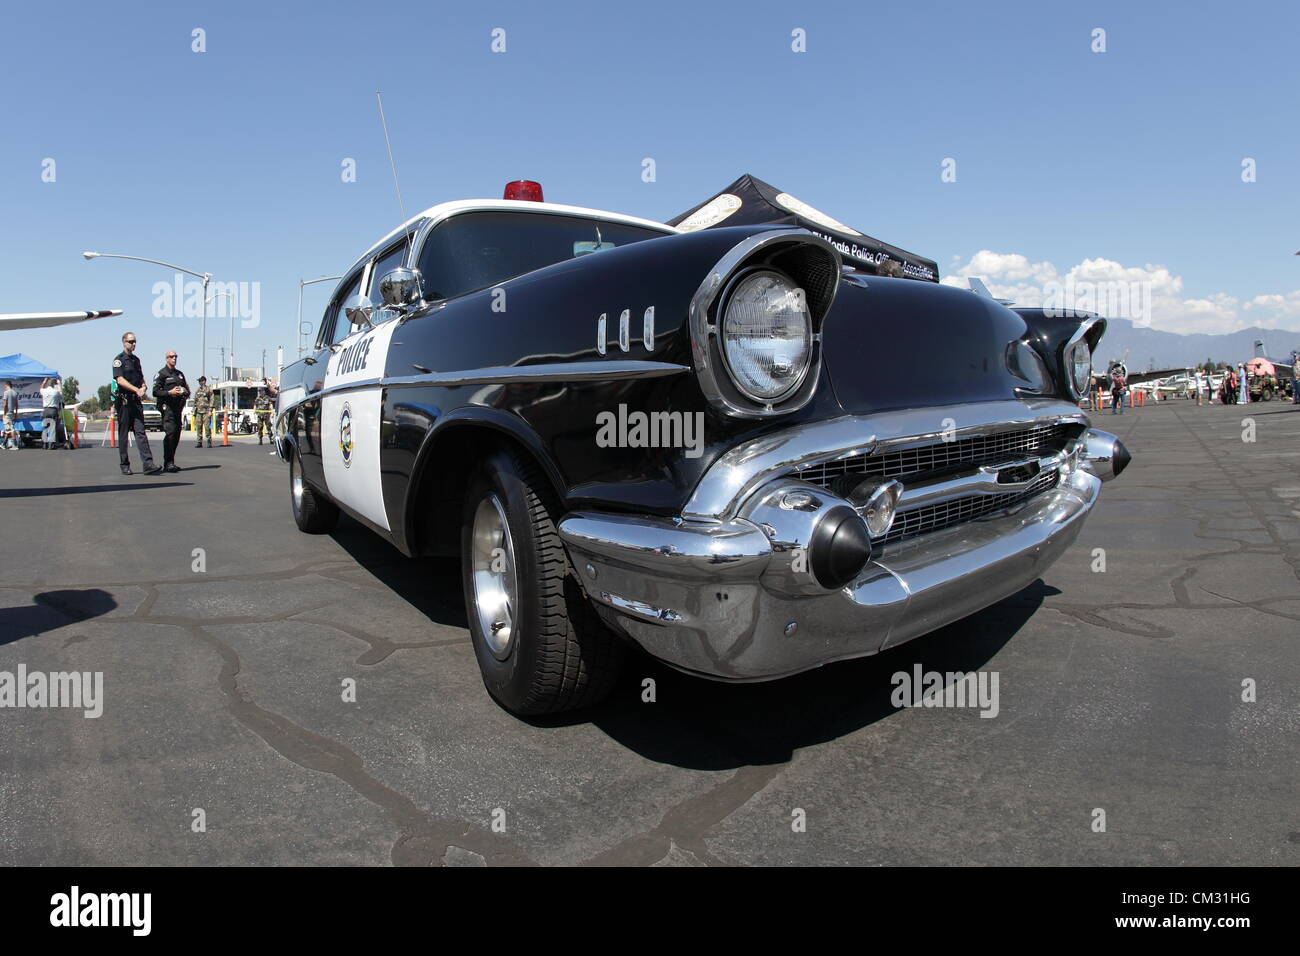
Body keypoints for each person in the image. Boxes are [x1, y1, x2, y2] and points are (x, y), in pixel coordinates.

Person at [113, 332, 161, 476]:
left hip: (136, 402)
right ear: (123, 342)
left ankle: (148, 463)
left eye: (135, 342)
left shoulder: (136, 360)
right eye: (130, 341)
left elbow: (141, 378)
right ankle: (124, 464)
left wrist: (143, 387)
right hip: (124, 401)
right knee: (123, 434)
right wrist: (136, 390)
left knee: (140, 433)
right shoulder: (118, 360)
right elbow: (119, 380)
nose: (133, 344)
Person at [152, 349, 190, 473]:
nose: (174, 358)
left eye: (175, 356)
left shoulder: (179, 374)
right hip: (167, 408)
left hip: (177, 408)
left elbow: (187, 390)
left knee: (177, 434)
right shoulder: (161, 374)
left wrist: (184, 391)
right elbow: (155, 392)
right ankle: (168, 462)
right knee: (170, 434)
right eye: (171, 356)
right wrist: (170, 392)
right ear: (166, 358)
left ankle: (170, 461)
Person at [193, 376, 214, 448]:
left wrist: (210, 410)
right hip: (198, 412)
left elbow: (212, 400)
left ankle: (209, 442)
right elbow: (195, 400)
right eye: (199, 381)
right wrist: (194, 411)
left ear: (204, 381)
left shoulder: (208, 389)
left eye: (200, 381)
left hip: (206, 412)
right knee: (198, 427)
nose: (199, 382)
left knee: (207, 427)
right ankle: (199, 442)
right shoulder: (197, 390)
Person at [39, 377, 60, 449]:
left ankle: (44, 444)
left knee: (45, 428)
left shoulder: (44, 391)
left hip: (46, 410)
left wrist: (44, 381)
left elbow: (41, 388)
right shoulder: (55, 391)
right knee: (52, 428)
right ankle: (51, 445)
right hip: (53, 410)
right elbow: (61, 394)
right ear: (54, 385)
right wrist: (59, 384)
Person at [1, 382, 18, 449]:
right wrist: (16, 414)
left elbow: (5, 404)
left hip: (7, 413)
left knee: (10, 429)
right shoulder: (15, 393)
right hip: (12, 413)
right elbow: (16, 405)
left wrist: (4, 413)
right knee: (8, 429)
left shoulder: (6, 392)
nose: (4, 387)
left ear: (7, 385)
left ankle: (14, 445)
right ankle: (4, 444)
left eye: (5, 386)